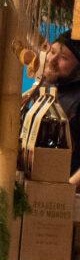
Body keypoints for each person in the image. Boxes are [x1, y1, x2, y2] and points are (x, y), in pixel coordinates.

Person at [24, 36, 80, 176]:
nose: (52, 60)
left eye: (63, 58)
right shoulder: (52, 94)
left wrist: (71, 186)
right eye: (52, 51)